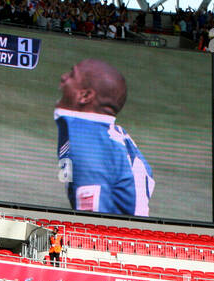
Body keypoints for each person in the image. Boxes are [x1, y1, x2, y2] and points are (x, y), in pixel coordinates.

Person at [54, 58, 154, 216]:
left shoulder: (87, 145)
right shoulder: (113, 135)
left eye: (72, 75)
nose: (64, 77)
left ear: (85, 96)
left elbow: (94, 224)